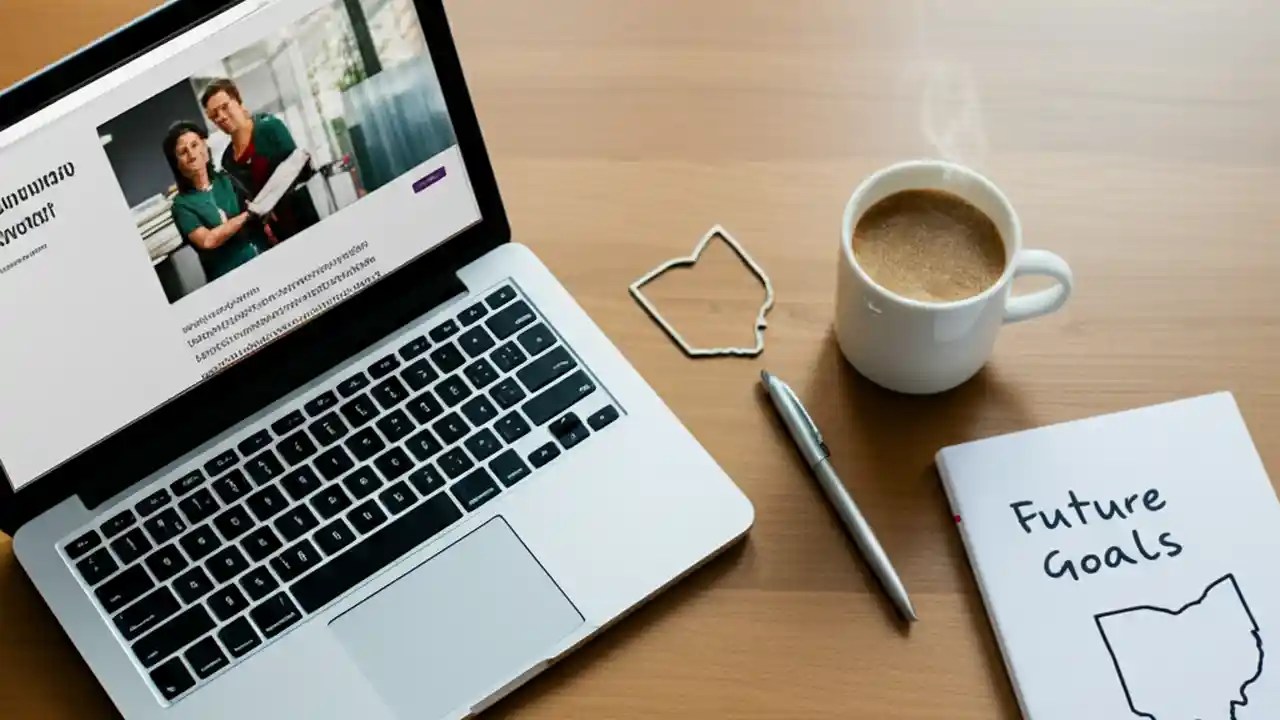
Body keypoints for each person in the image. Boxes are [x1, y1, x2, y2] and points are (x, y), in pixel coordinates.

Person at [201, 78, 320, 243]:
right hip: (271, 234)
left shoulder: (270, 127)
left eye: (224, 107)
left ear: (238, 101)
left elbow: (297, 171)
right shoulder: (227, 161)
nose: (221, 117)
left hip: (303, 217)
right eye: (214, 115)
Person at [164, 121, 270, 282]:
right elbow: (207, 240)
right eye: (183, 152)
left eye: (195, 145)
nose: (192, 155)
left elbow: (257, 210)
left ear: (205, 147)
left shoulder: (227, 179)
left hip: (262, 260)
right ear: (176, 163)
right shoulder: (181, 206)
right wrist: (247, 215)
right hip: (228, 279)